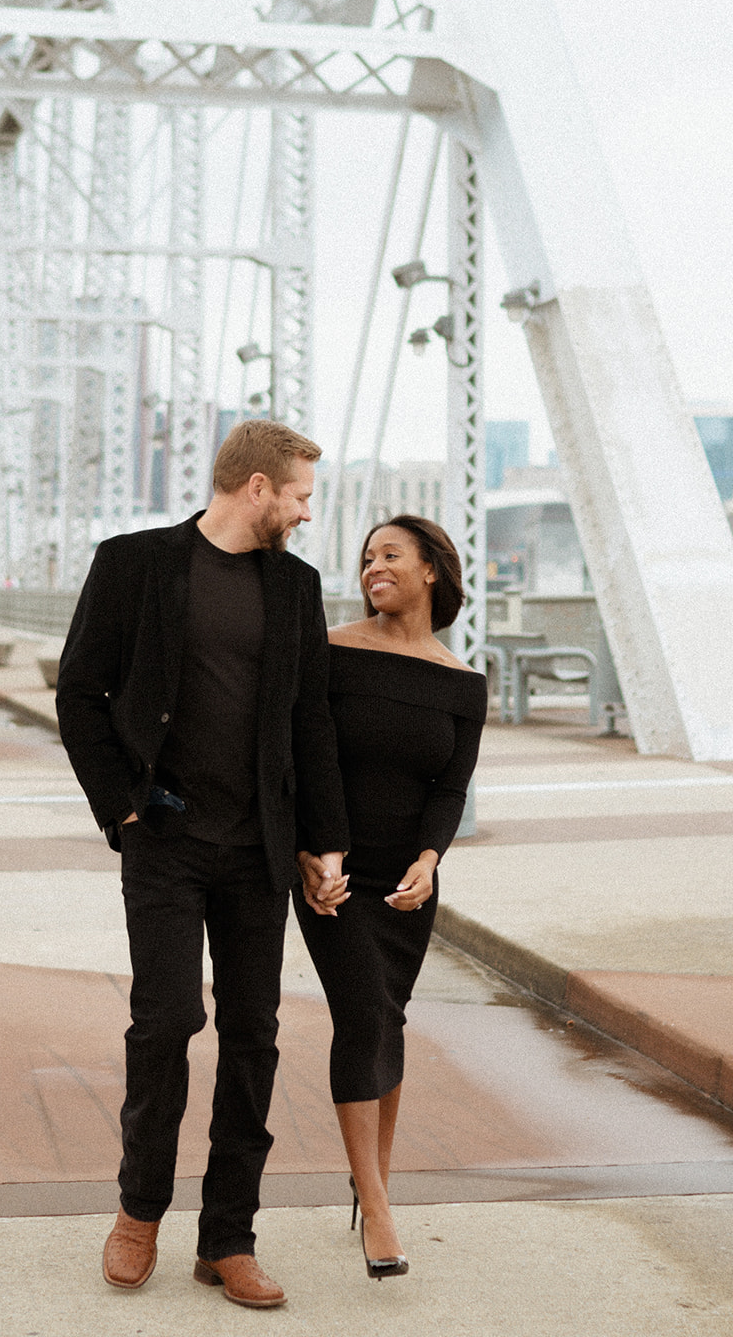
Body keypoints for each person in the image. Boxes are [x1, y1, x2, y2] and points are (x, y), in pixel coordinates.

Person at [56, 419, 349, 1311]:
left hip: (257, 847)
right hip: (168, 845)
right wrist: (127, 807)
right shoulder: (134, 563)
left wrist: (322, 840)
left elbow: (310, 719)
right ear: (256, 487)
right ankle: (139, 1212)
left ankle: (228, 1238)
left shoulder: (296, 587)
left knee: (253, 1037)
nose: (306, 513)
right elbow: (80, 691)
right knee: (166, 1021)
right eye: (299, 495)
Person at [294, 515, 487, 1281]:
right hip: (335, 874)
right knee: (364, 1012)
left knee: (390, 1018)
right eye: (367, 556)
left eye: (390, 555)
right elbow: (306, 754)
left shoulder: (464, 682)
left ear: (431, 569)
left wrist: (432, 860)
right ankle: (377, 1207)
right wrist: (312, 848)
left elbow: (451, 786)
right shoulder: (332, 651)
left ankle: (371, 1180)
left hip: (409, 884)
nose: (374, 566)